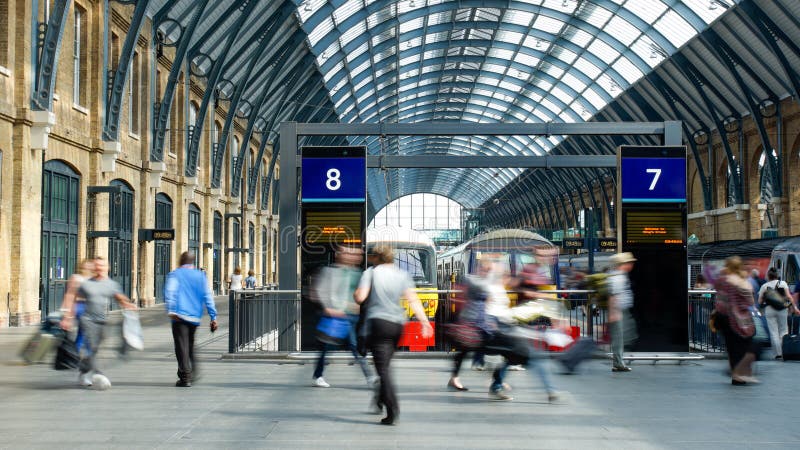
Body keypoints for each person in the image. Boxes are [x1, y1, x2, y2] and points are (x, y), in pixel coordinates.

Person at [354, 245, 432, 425]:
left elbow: (360, 297)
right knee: (386, 366)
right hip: (397, 325)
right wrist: (425, 322)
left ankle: (392, 409)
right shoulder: (402, 274)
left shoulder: (371, 273)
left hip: (378, 324)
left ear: (376, 257)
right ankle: (380, 398)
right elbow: (412, 299)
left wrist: (356, 293)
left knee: (383, 370)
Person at [310, 246, 375, 388]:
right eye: (350, 254)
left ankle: (369, 376)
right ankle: (318, 375)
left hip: (349, 316)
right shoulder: (329, 271)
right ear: (340, 255)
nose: (355, 257)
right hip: (334, 316)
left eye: (357, 255)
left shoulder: (357, 273)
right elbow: (320, 290)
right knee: (327, 347)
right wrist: (328, 307)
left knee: (354, 346)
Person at [68, 257, 136, 387]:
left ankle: (83, 371)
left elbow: (119, 297)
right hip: (87, 319)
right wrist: (68, 316)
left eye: (102, 265)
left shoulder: (112, 284)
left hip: (102, 320)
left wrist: (128, 305)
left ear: (107, 267)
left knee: (95, 349)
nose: (99, 268)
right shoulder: (87, 283)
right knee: (92, 347)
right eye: (97, 265)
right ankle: (99, 374)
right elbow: (73, 297)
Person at [165, 251, 218, 387]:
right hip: (194, 316)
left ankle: (185, 377)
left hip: (179, 315)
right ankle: (193, 370)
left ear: (180, 261)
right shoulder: (200, 276)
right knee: (189, 344)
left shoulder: (175, 274)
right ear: (192, 262)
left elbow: (170, 292)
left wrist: (171, 310)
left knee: (181, 346)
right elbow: (207, 296)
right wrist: (213, 316)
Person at [714, 256, 759, 385]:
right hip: (739, 320)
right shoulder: (741, 282)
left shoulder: (722, 280)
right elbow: (750, 301)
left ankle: (736, 375)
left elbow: (717, 288)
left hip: (722, 317)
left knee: (731, 347)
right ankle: (740, 373)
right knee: (748, 345)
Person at [608, 252, 637, 372]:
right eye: (629, 263)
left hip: (620, 310)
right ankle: (618, 364)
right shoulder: (618, 277)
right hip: (619, 311)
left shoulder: (620, 275)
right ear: (623, 264)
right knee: (619, 338)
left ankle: (619, 362)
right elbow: (613, 296)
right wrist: (614, 312)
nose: (631, 265)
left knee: (621, 337)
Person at [757, 268, 792, 360]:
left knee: (773, 332)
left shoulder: (764, 286)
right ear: (777, 275)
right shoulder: (783, 283)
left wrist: (761, 308)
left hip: (769, 309)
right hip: (782, 309)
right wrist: (794, 307)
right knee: (783, 330)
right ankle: (785, 351)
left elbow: (760, 301)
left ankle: (778, 353)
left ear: (768, 276)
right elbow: (788, 297)